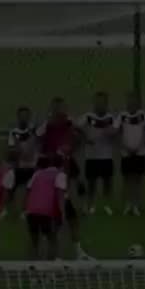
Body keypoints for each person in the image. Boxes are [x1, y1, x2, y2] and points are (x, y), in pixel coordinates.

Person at [35, 98, 89, 259]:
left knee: (71, 220)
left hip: (61, 181)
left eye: (63, 110)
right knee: (55, 222)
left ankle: (78, 253)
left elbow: (80, 139)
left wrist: (72, 147)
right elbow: (37, 147)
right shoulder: (45, 128)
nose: (61, 113)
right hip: (50, 182)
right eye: (58, 110)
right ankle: (52, 256)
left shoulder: (70, 126)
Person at [78, 91, 117, 216]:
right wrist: (86, 139)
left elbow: (115, 132)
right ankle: (91, 205)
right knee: (91, 183)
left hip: (106, 155)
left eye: (103, 102)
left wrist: (110, 133)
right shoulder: (87, 117)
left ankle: (106, 205)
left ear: (106, 103)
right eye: (98, 102)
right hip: (92, 156)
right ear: (94, 102)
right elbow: (77, 128)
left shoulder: (110, 118)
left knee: (107, 182)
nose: (100, 104)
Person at [23, 154, 69, 261]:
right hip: (46, 212)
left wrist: (25, 209)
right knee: (52, 239)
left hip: (31, 211)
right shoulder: (60, 175)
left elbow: (28, 190)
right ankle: (49, 269)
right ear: (62, 165)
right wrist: (63, 214)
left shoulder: (38, 173)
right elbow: (60, 196)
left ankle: (31, 268)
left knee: (34, 241)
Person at [116, 91, 145, 216]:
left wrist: (139, 147)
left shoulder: (143, 115)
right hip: (126, 153)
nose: (132, 103)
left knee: (138, 180)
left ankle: (136, 205)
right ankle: (127, 205)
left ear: (138, 103)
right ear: (127, 102)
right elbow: (117, 133)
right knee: (127, 179)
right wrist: (126, 147)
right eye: (130, 101)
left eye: (134, 101)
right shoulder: (122, 116)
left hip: (140, 153)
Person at [5, 106, 38, 209]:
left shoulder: (34, 130)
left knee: (30, 189)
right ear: (18, 117)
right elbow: (11, 149)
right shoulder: (13, 132)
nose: (24, 118)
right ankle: (9, 209)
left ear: (29, 117)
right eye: (21, 116)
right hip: (19, 165)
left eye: (26, 116)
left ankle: (26, 209)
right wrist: (15, 153)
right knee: (10, 187)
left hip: (33, 166)